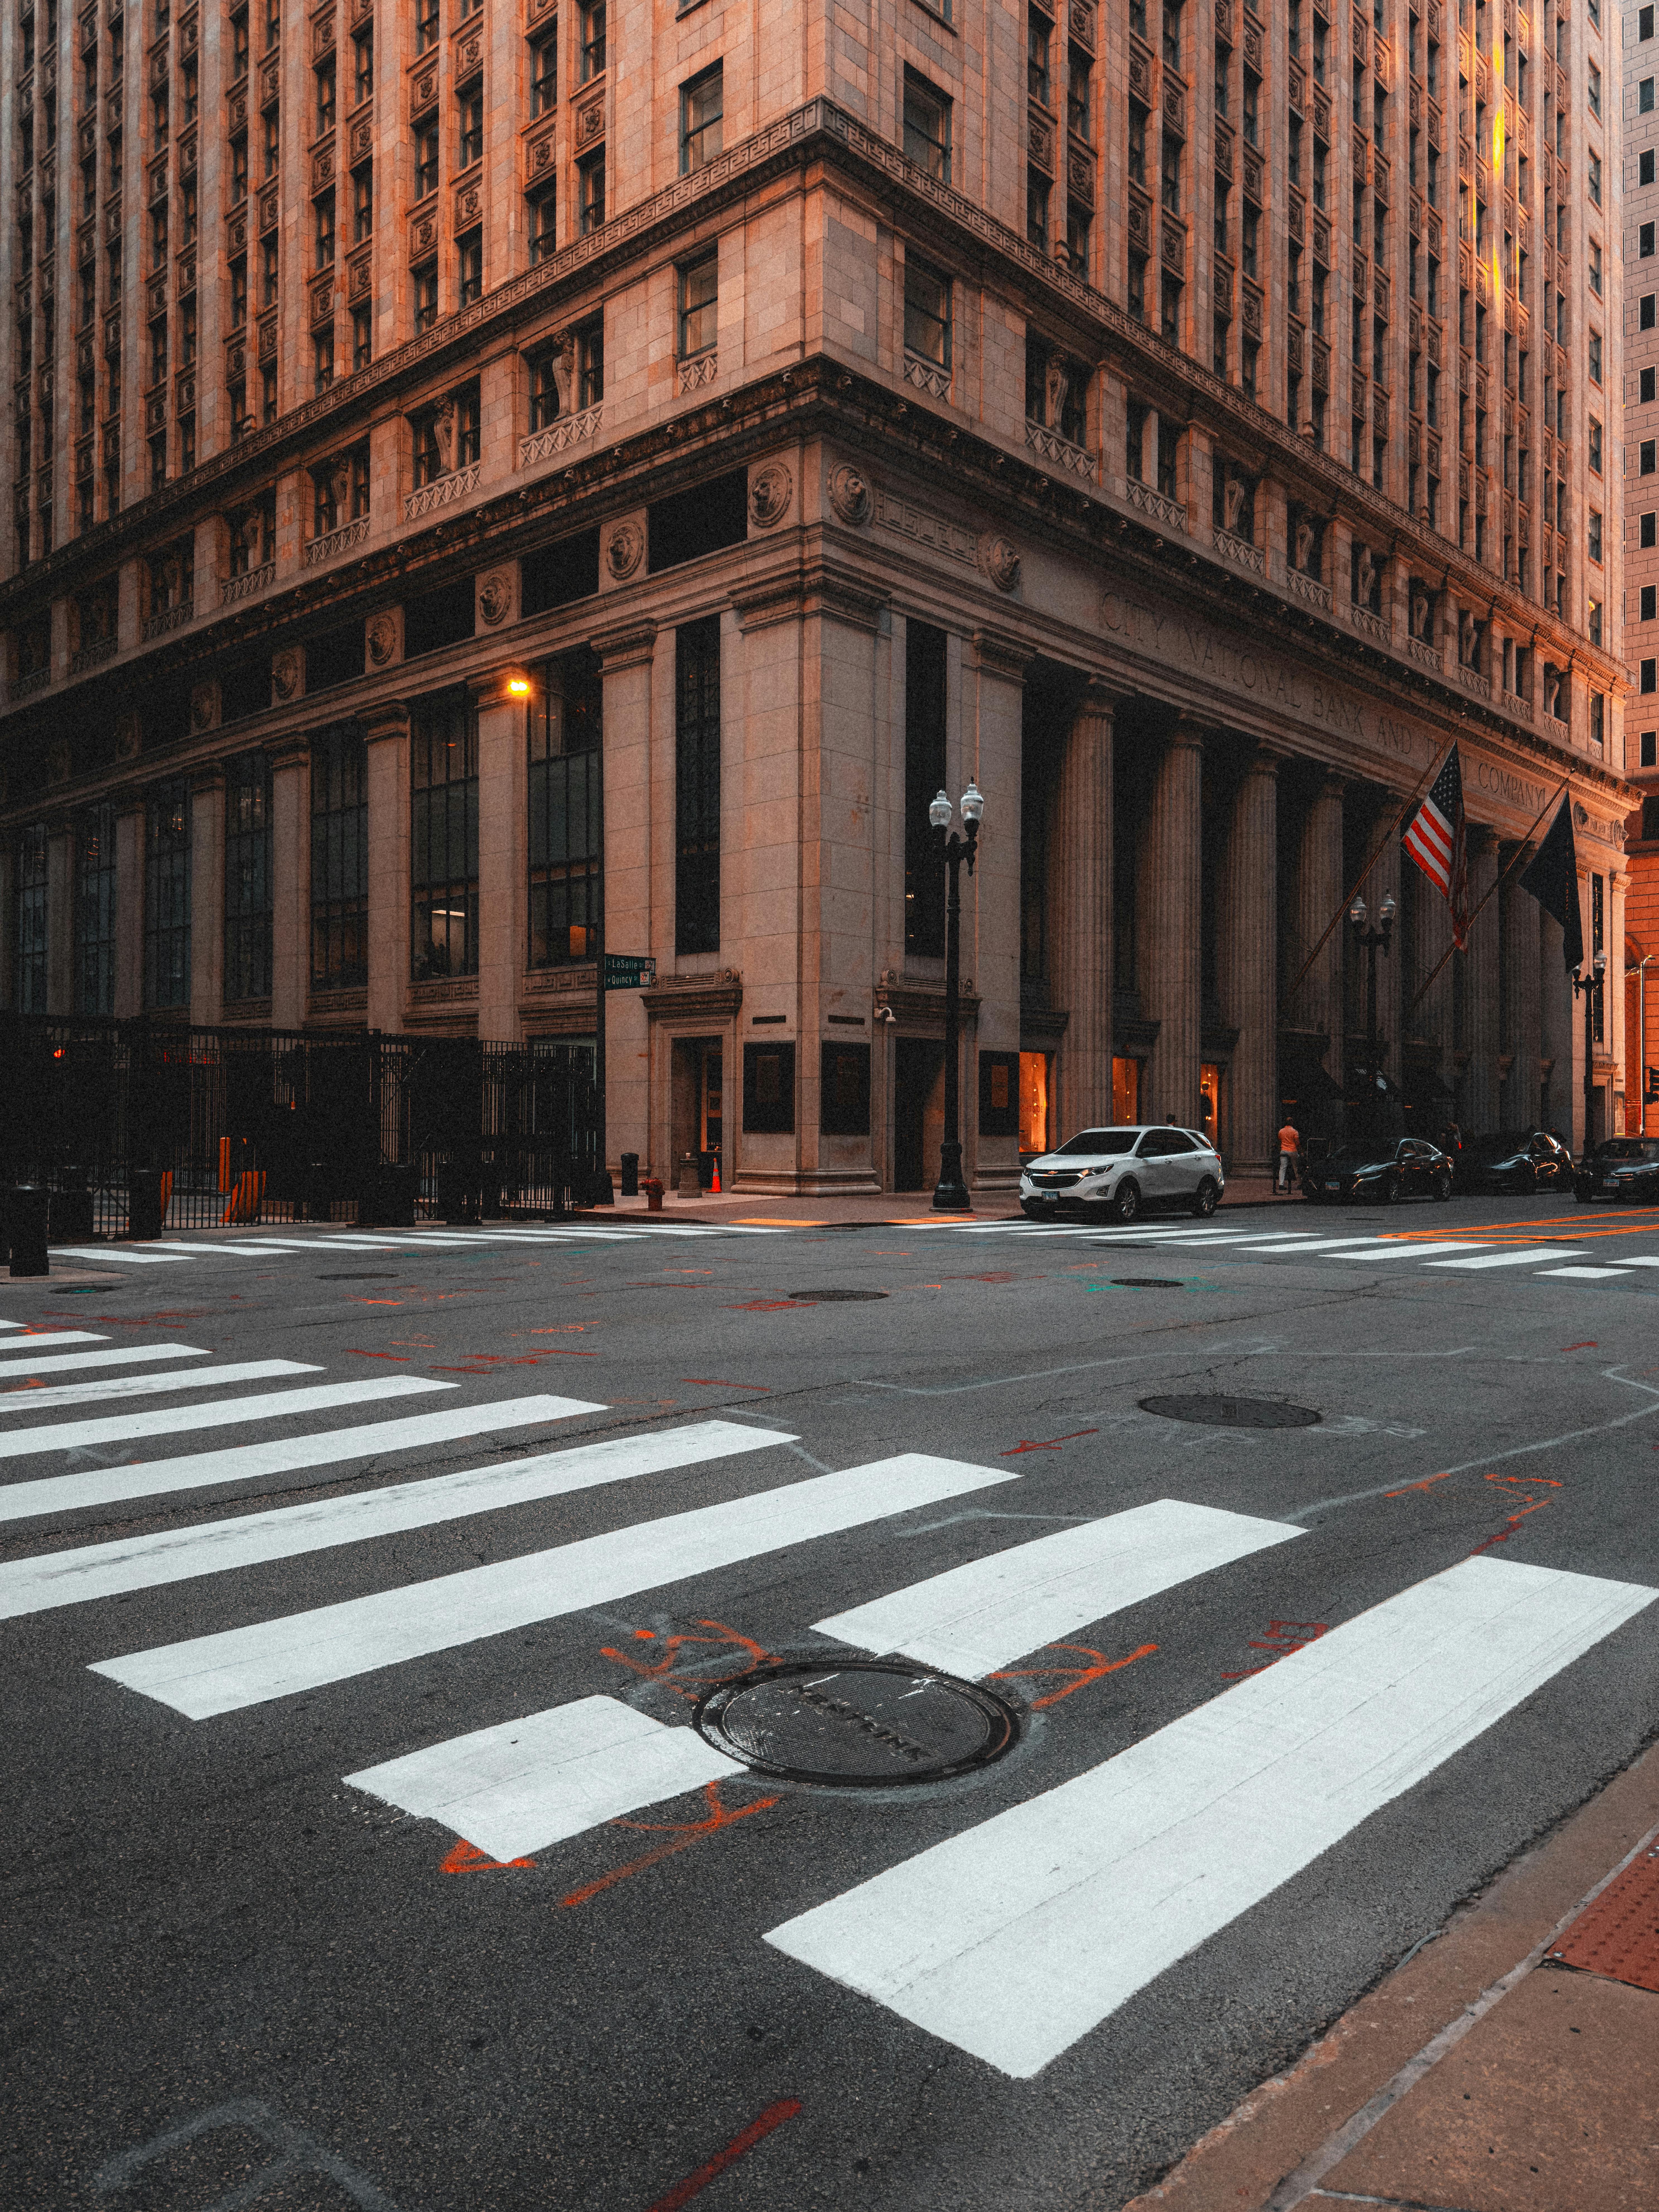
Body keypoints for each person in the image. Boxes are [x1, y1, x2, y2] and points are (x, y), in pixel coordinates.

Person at [1276, 1117, 1300, 1194]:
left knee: (1283, 1168)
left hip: (1284, 1151)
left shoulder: (1281, 1131)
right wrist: (1301, 1151)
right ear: (1292, 1123)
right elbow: (1297, 1143)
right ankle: (1300, 1183)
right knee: (1296, 1167)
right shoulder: (1295, 1132)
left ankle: (1281, 1184)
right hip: (1293, 1151)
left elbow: (1280, 1140)